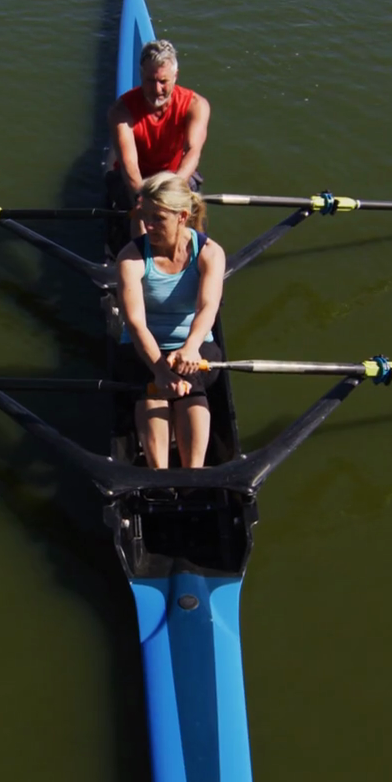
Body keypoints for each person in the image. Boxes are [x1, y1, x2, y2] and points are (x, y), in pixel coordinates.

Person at [117, 172, 227, 469]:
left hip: (195, 343)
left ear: (182, 217)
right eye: (144, 216)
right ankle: (160, 476)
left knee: (190, 383)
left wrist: (190, 348)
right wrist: (159, 370)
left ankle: (193, 477)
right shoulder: (131, 256)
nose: (148, 225)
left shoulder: (210, 252)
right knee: (152, 388)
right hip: (143, 344)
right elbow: (135, 322)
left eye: (158, 218)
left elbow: (208, 306)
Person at [109, 39, 211, 196]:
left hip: (175, 177)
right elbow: (129, 163)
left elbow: (193, 151)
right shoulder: (121, 111)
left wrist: (172, 192)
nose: (157, 90)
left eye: (163, 81)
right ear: (141, 75)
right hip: (136, 179)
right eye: (150, 81)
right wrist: (141, 197)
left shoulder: (196, 106)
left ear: (175, 76)